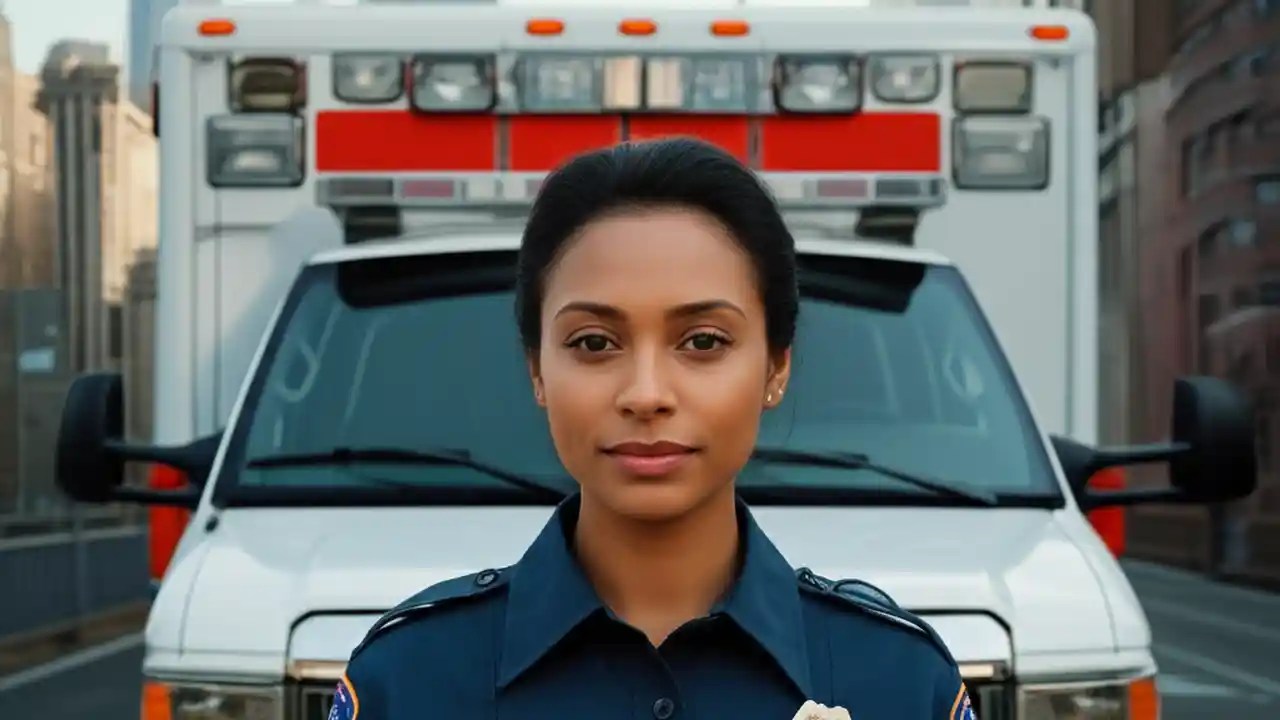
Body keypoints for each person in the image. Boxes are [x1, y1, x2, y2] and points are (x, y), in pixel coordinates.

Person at [327, 138, 975, 720]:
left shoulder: (899, 682)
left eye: (702, 340)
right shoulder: (407, 680)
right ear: (537, 370)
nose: (645, 394)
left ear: (777, 366)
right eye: (593, 342)